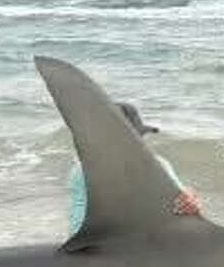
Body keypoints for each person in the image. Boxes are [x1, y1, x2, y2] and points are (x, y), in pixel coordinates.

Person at [67, 101, 200, 236]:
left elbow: (186, 204)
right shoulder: (83, 173)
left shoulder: (159, 164)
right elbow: (78, 231)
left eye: (138, 138)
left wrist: (190, 202)